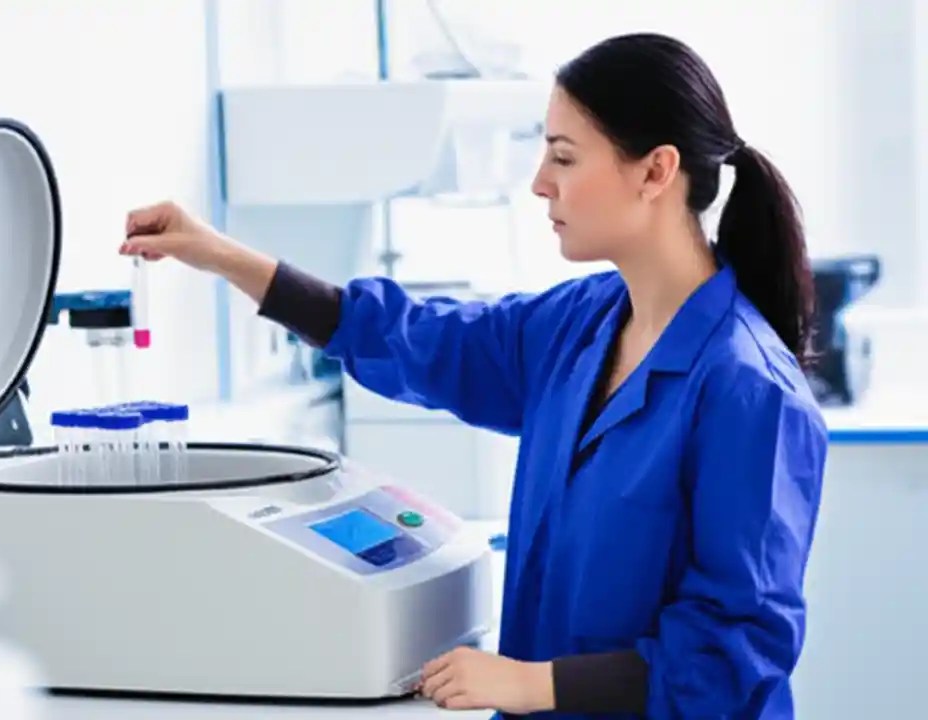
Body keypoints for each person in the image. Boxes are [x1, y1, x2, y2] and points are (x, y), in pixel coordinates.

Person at [120, 32, 827, 720]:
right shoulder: (581, 325)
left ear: (654, 171)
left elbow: (731, 656)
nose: (539, 182)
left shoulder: (750, 392)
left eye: (564, 157)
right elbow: (416, 338)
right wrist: (216, 253)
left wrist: (532, 684)